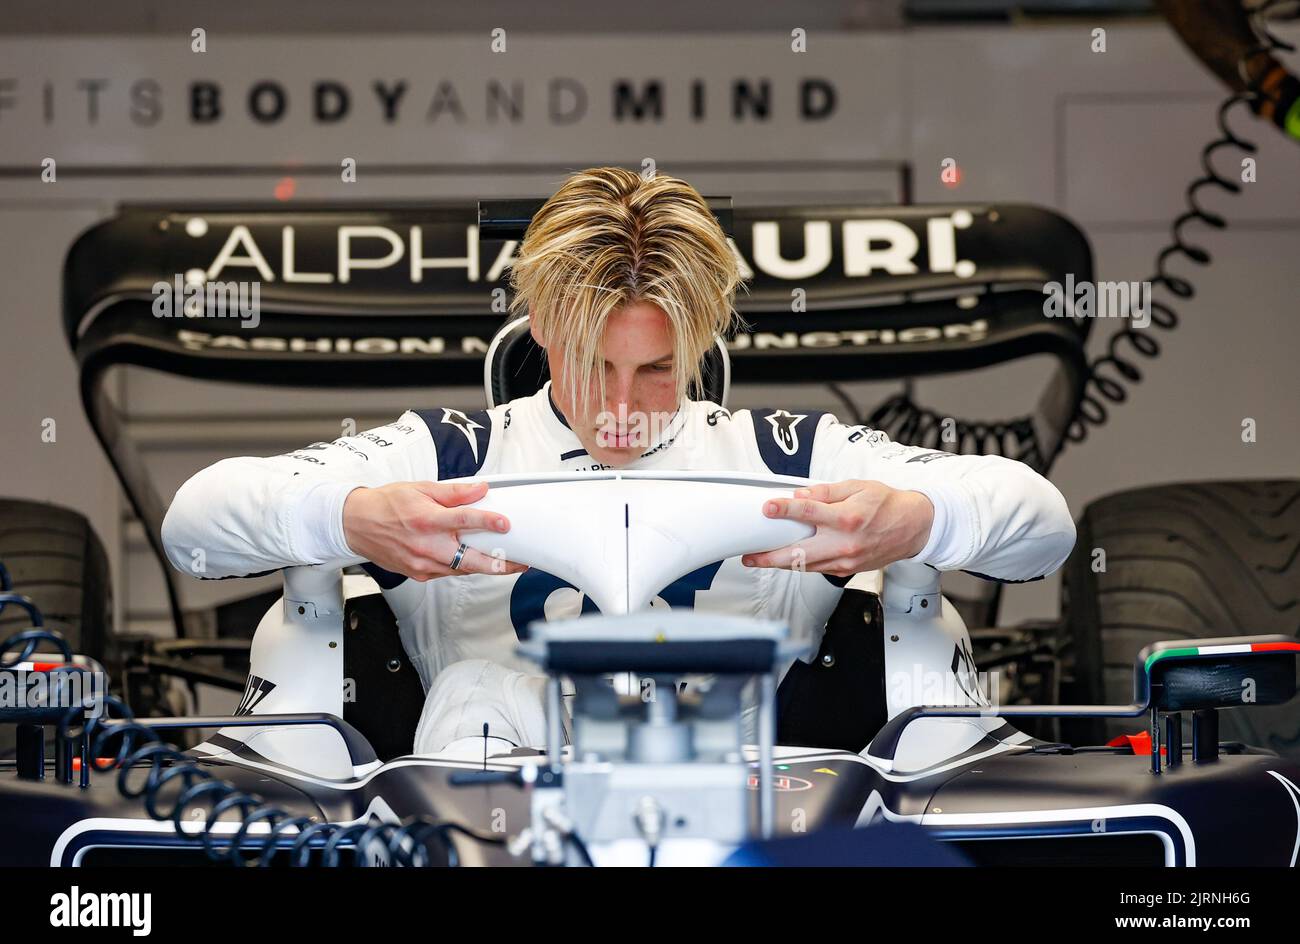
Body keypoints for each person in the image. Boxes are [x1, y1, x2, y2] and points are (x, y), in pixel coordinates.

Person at [162, 167, 1076, 757]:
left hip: (768, 813)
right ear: (541, 331)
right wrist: (346, 517)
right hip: (476, 799)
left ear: (698, 347)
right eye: (594, 363)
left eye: (654, 370)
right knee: (471, 688)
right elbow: (193, 523)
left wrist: (921, 519)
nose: (623, 407)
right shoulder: (450, 452)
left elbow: (1043, 525)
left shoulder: (782, 452)